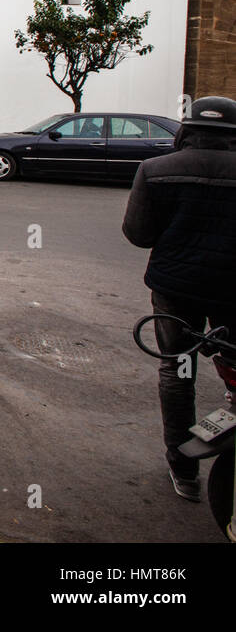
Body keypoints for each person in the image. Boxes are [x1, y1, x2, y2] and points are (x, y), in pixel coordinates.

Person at [122, 96, 236, 501]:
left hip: (176, 289)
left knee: (177, 371)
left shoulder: (155, 170)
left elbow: (138, 235)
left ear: (186, 130)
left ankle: (183, 469)